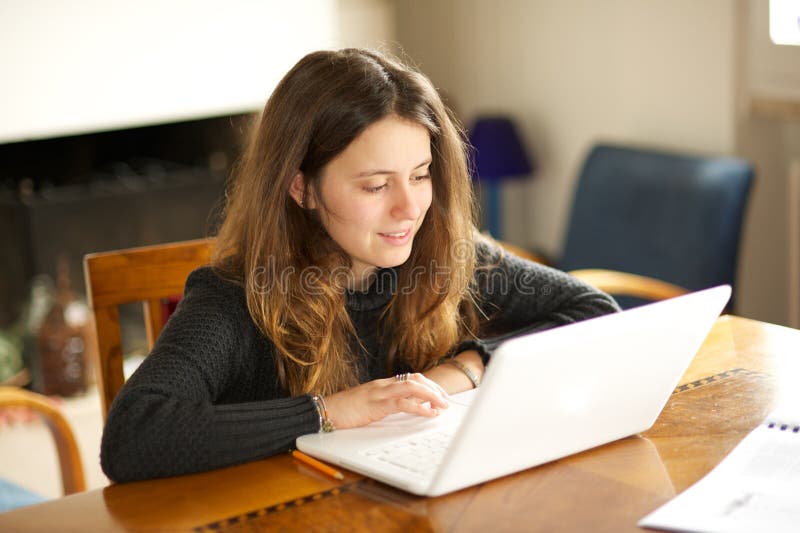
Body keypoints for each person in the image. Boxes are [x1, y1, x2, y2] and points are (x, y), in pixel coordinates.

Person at [100, 48, 619, 483]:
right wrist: (331, 412)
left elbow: (594, 310)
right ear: (300, 187)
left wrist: (465, 367)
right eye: (375, 185)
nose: (409, 208)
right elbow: (133, 436)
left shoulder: (445, 252)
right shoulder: (235, 297)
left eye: (419, 175)